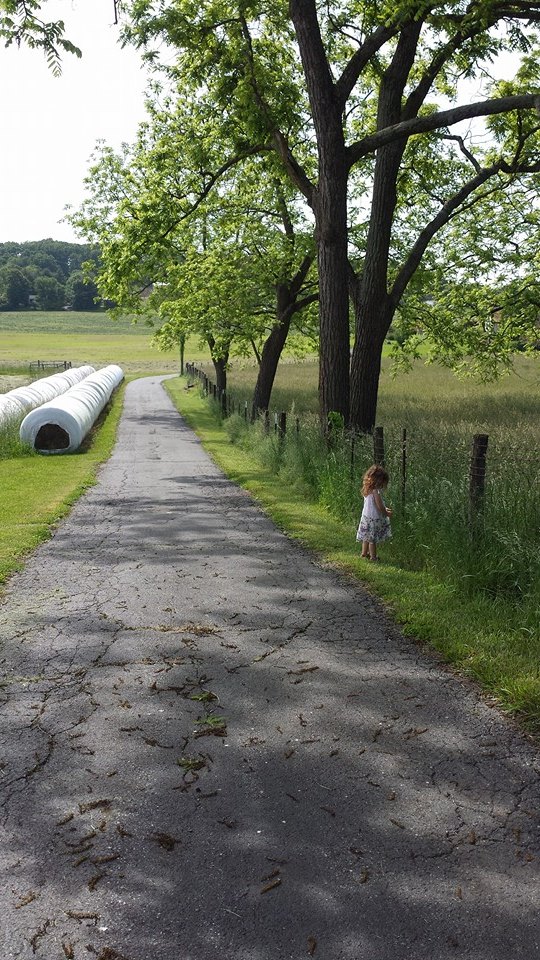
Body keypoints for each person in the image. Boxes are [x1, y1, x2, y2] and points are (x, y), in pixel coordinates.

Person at [356, 464, 393, 561]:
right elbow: (379, 506)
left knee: (366, 536)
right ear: (379, 481)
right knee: (372, 539)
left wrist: (385, 508)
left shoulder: (367, 489)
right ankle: (373, 557)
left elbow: (372, 504)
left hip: (366, 516)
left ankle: (364, 553)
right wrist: (386, 513)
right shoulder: (376, 491)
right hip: (374, 518)